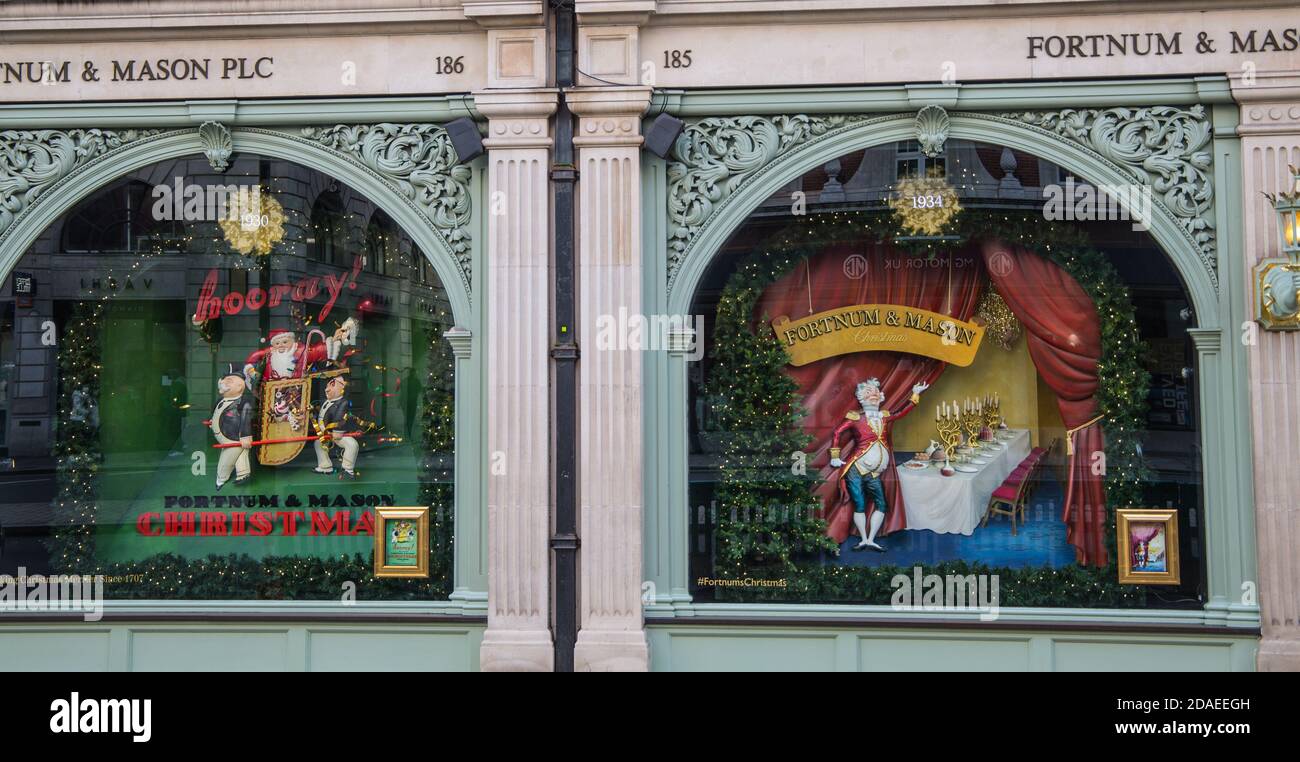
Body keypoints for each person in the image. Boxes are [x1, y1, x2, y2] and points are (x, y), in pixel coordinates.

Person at [828, 378, 930, 552]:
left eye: (875, 391)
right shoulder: (855, 417)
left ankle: (871, 539)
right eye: (868, 392)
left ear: (881, 396)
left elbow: (902, 412)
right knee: (859, 503)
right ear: (861, 397)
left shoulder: (884, 416)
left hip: (875, 472)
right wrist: (835, 456)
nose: (873, 395)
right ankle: (864, 539)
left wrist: (915, 394)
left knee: (881, 504)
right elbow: (838, 432)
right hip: (856, 468)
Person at [210, 364, 253, 490]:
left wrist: (245, 436)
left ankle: (221, 478)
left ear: (240, 386)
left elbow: (246, 420)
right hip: (223, 435)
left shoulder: (243, 403)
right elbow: (215, 413)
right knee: (241, 454)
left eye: (228, 381)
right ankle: (243, 474)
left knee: (227, 458)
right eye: (224, 380)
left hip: (233, 438)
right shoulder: (221, 400)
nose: (223, 383)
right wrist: (211, 421)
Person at [313, 375, 360, 479]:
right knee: (318, 443)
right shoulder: (325, 401)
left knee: (352, 445)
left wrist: (337, 431)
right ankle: (325, 466)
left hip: (339, 433)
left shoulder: (343, 403)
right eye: (327, 386)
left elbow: (340, 417)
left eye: (332, 385)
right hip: (326, 434)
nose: (327, 389)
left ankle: (347, 469)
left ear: (343, 388)